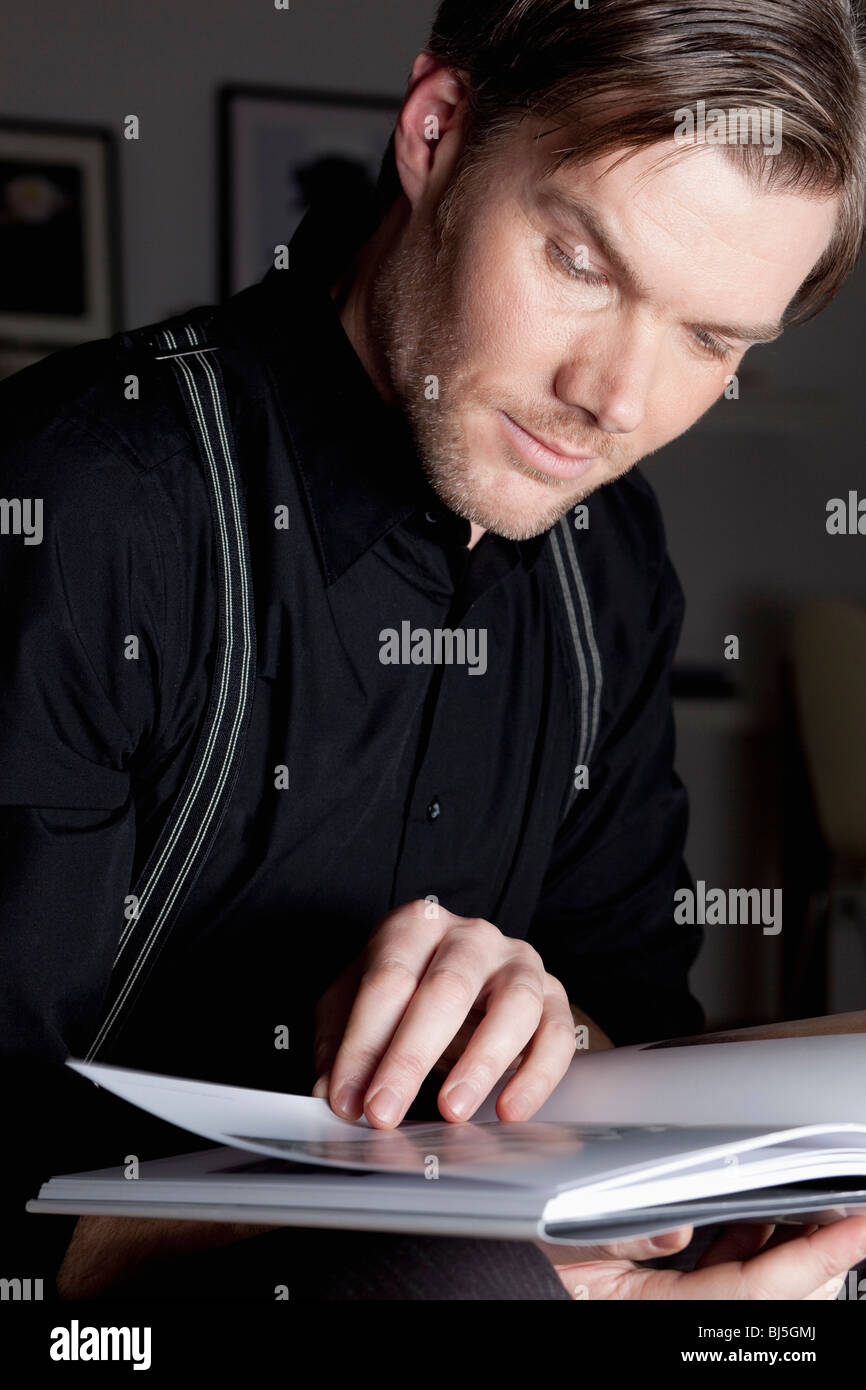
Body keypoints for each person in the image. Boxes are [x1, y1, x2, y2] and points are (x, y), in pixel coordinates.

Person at [4, 0, 866, 1301]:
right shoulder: (84, 502)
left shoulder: (612, 557)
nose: (616, 400)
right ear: (436, 132)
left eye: (707, 341)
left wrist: (548, 1034)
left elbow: (636, 1016)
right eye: (583, 262)